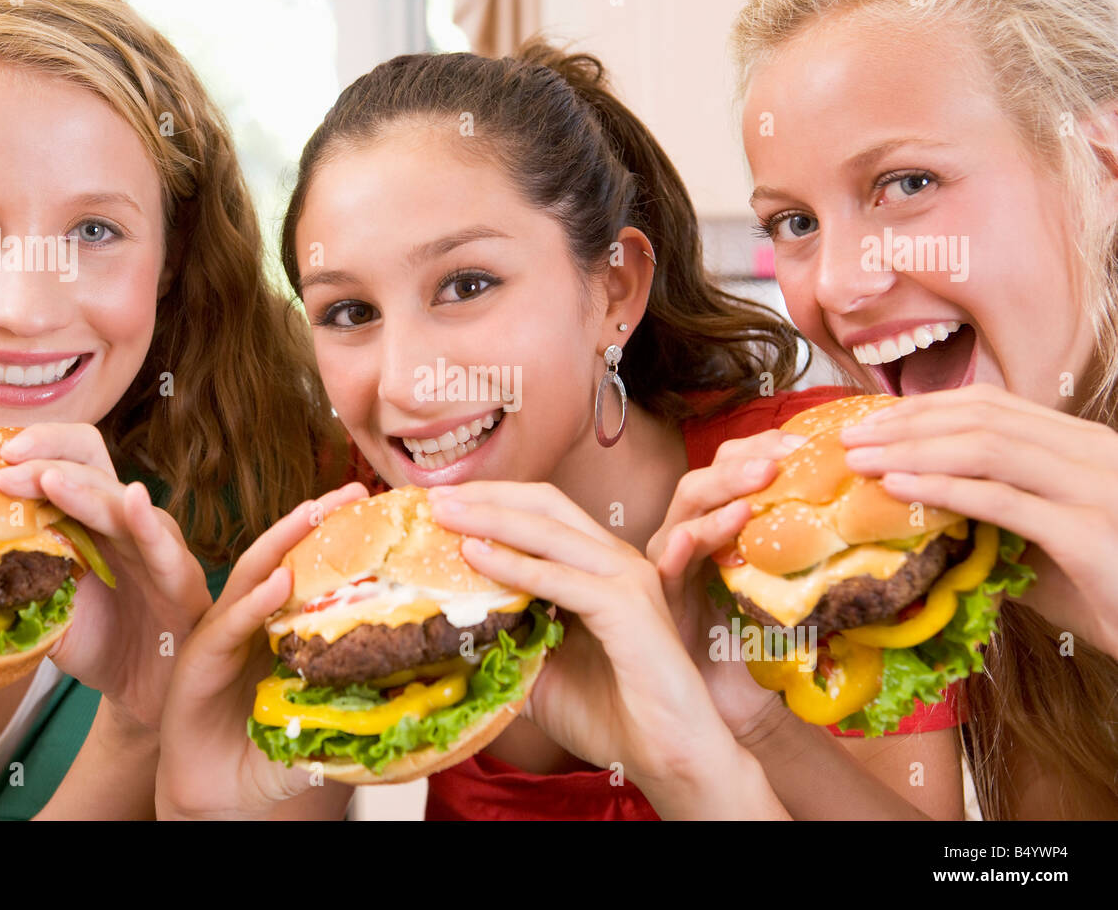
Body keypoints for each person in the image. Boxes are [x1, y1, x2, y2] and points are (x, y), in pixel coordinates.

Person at [157, 40, 963, 819]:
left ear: (615, 290)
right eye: (350, 312)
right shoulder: (350, 537)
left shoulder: (817, 484)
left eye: (466, 284)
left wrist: (717, 748)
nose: (405, 382)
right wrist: (204, 803)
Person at [0, 0, 342, 819]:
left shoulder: (270, 542)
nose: (22, 309)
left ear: (171, 256)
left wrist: (149, 720)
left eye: (95, 229)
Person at [720, 0, 1118, 817]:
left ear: (1101, 164)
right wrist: (748, 722)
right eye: (794, 223)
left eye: (907, 184)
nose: (836, 286)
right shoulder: (956, 538)